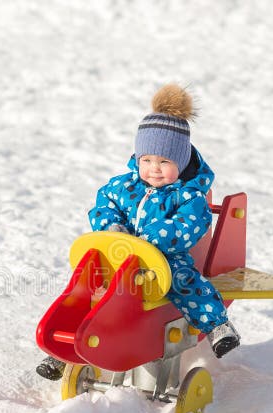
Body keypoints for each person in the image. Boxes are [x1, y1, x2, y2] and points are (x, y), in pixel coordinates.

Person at [36, 84, 240, 381]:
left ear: (181, 162)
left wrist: (150, 240)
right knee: (88, 289)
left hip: (163, 259)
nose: (154, 169)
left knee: (186, 283)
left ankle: (217, 325)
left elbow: (189, 226)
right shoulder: (124, 186)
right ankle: (64, 350)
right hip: (119, 256)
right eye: (147, 160)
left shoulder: (187, 196)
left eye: (164, 162)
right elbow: (103, 204)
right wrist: (112, 228)